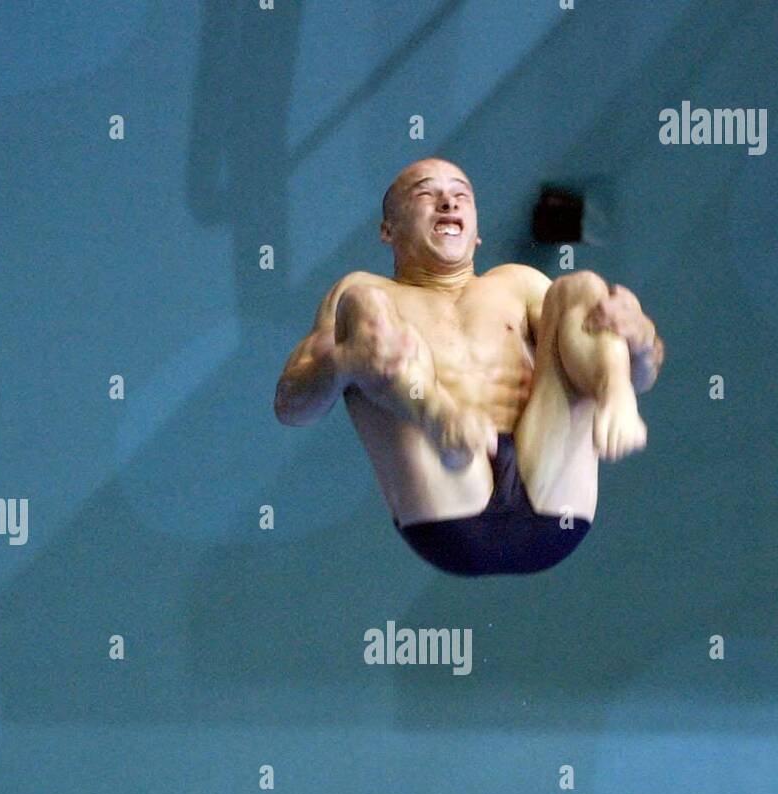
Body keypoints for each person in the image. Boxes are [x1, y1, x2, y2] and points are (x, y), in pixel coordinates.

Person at [275, 158, 664, 576]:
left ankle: (613, 394)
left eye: (461, 195)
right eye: (426, 193)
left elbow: (644, 374)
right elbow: (291, 407)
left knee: (582, 287)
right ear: (388, 231)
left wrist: (640, 343)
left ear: (476, 233)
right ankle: (438, 417)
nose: (447, 202)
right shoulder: (361, 293)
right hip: (449, 506)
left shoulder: (519, 284)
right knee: (364, 302)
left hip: (552, 497)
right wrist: (346, 361)